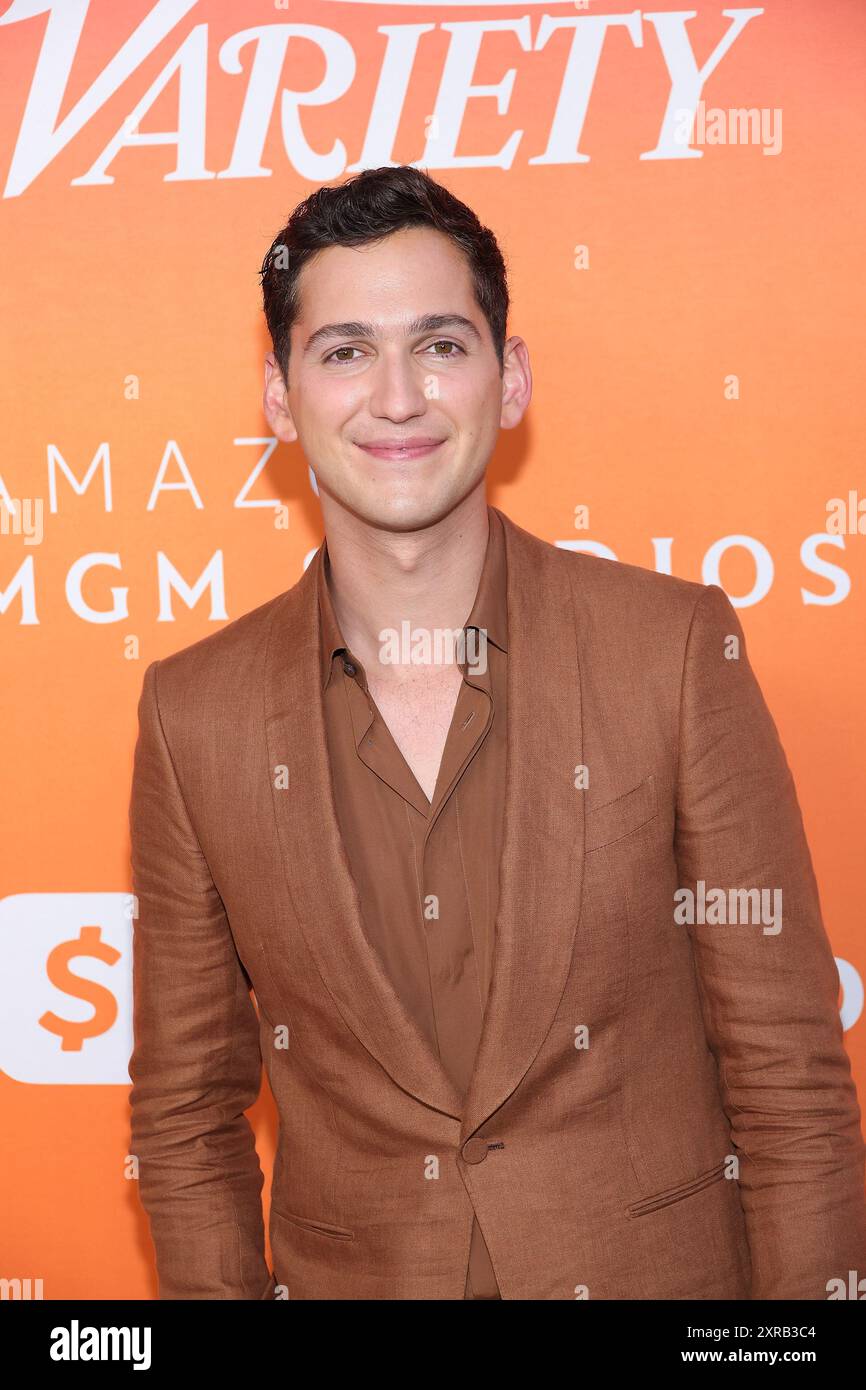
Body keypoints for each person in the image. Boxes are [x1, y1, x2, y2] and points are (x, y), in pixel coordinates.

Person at [128, 164, 866, 1300]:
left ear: (507, 378)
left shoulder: (668, 651)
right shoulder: (195, 714)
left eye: (439, 344)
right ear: (279, 397)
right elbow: (184, 1118)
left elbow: (790, 1082)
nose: (397, 397)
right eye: (342, 352)